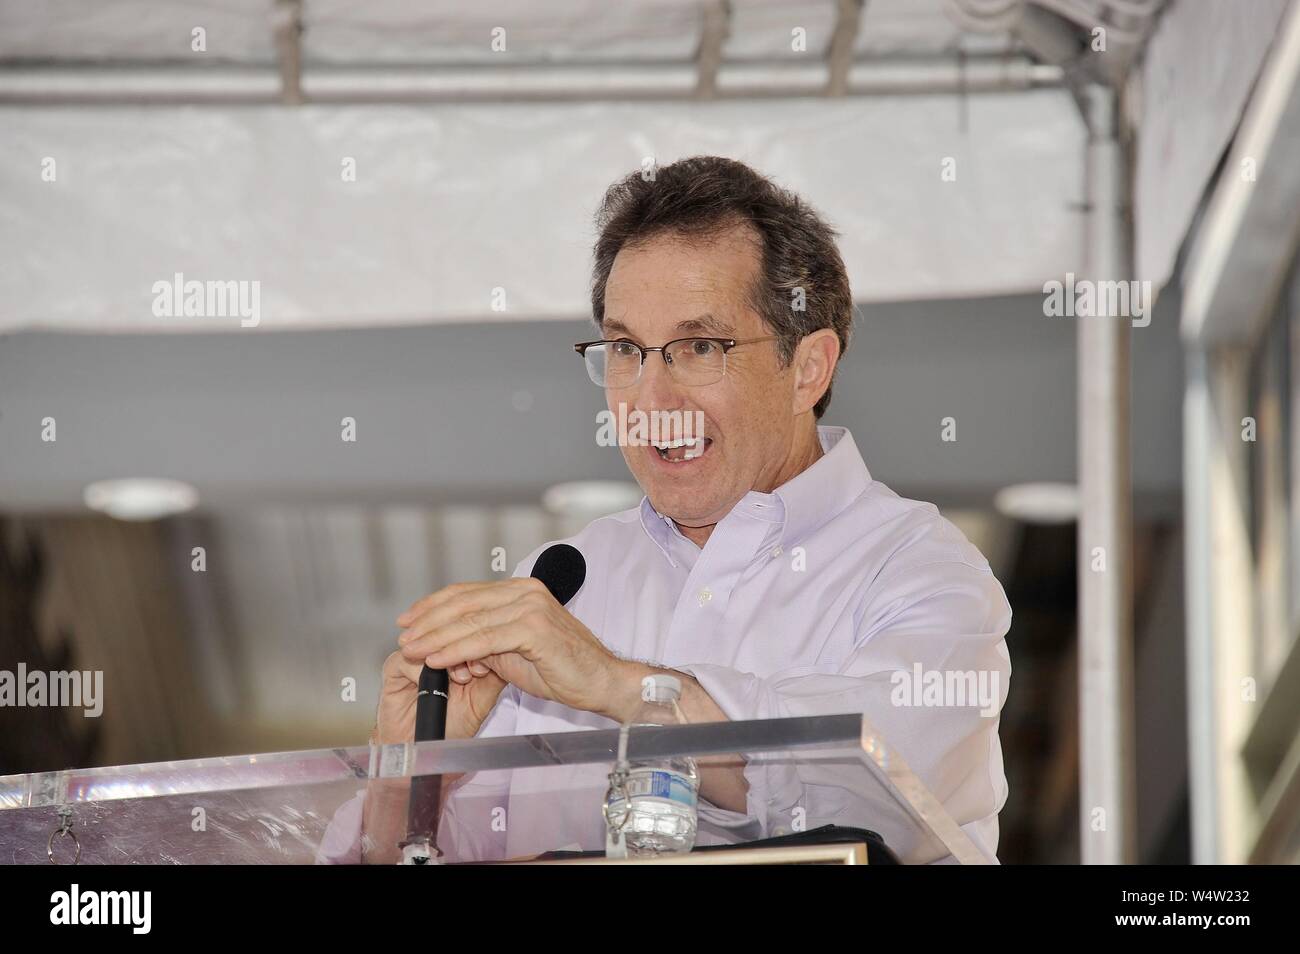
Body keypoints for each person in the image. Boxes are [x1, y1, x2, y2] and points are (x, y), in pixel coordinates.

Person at [334, 156, 1012, 865]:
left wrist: (622, 688)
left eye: (699, 346)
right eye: (626, 348)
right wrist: (409, 777)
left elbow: (876, 796)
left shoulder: (923, 569)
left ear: (807, 368)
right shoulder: (564, 579)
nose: (649, 401)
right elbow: (455, 846)